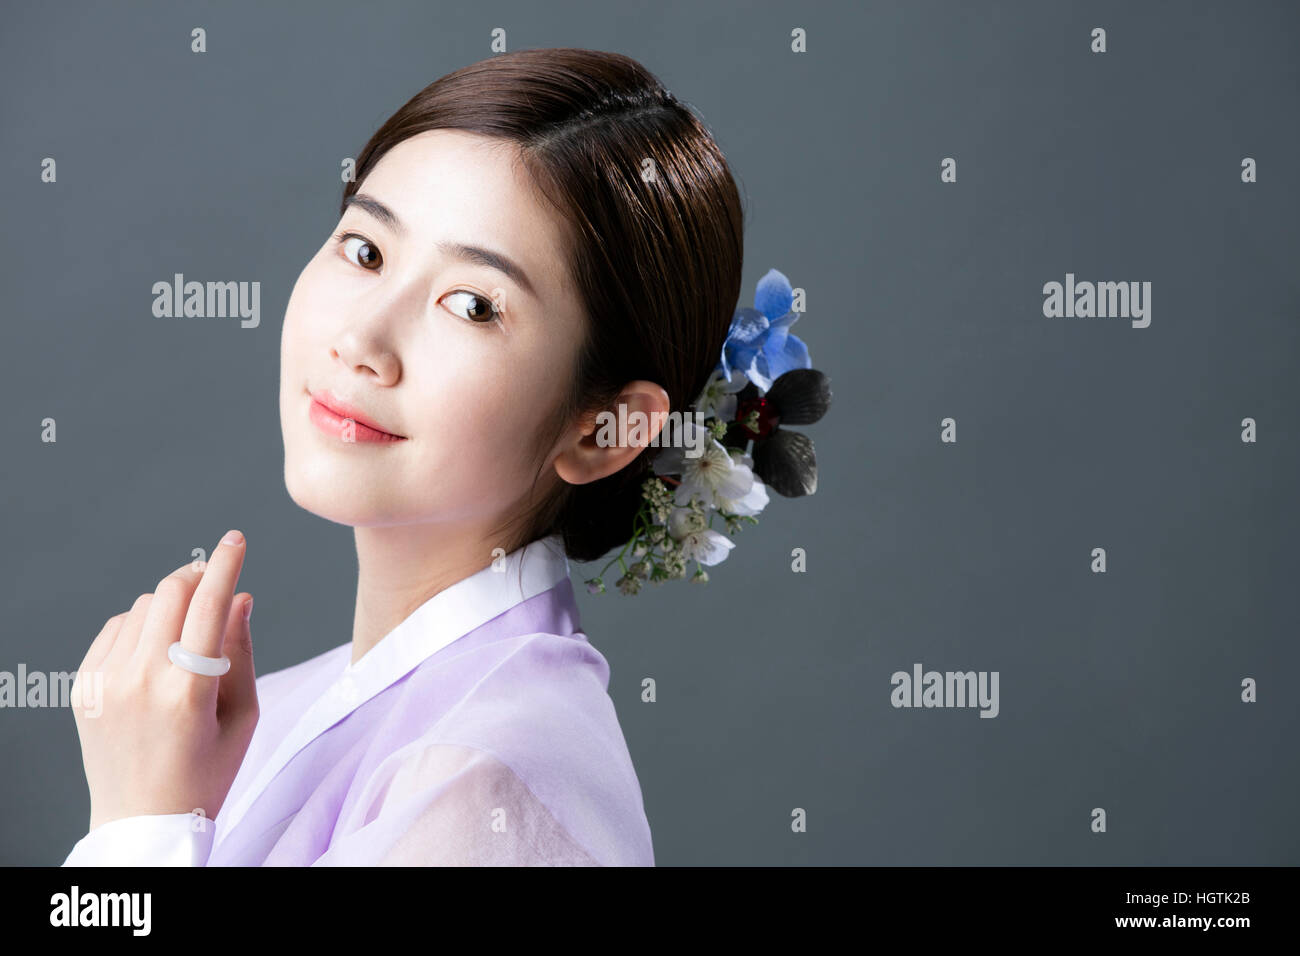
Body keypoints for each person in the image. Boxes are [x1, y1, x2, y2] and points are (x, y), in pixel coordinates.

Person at [60, 47, 746, 866]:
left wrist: (138, 827)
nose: (360, 339)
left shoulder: (485, 781)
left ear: (607, 430)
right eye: (366, 251)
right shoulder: (273, 714)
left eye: (471, 304)